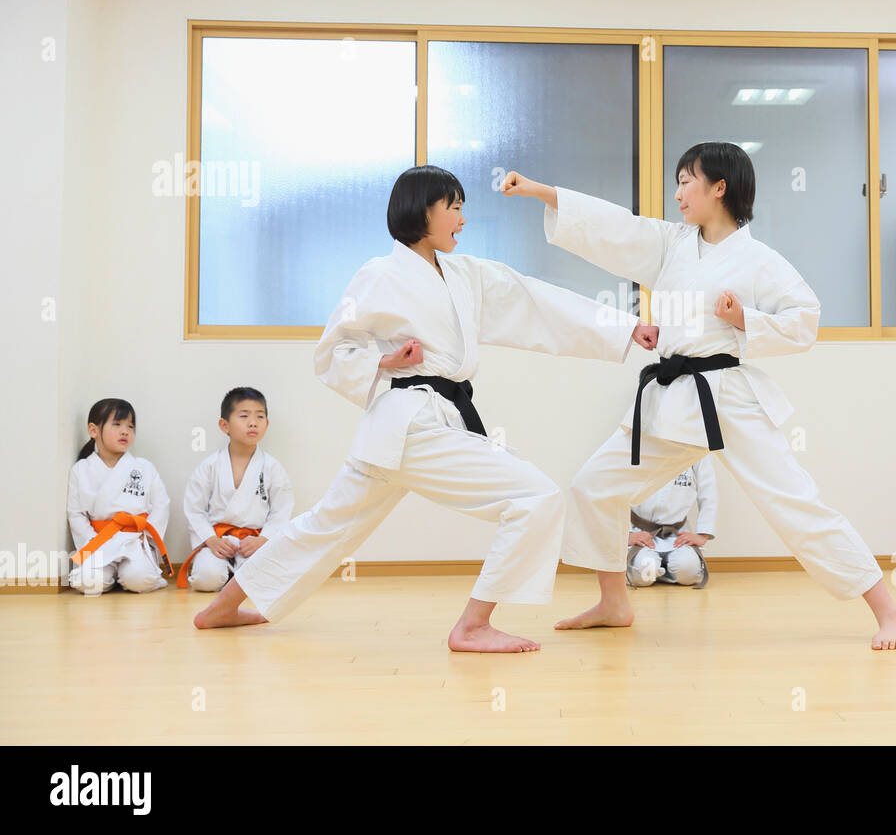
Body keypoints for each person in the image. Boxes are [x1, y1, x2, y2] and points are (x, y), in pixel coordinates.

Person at [194, 165, 637, 652]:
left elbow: (536, 301)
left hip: (406, 429)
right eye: (454, 207)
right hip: (412, 421)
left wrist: (623, 328)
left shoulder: (466, 274)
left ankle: (221, 608)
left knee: (327, 525)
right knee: (537, 497)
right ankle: (471, 626)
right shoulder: (379, 274)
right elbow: (332, 351)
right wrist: (384, 361)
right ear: (421, 210)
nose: (463, 219)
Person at [501, 142, 896, 649]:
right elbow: (615, 227)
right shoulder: (672, 243)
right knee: (593, 485)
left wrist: (744, 319)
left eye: (686, 181)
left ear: (720, 187)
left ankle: (890, 613)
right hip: (672, 397)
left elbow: (805, 321)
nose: (677, 193)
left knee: (794, 502)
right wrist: (540, 191)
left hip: (727, 399)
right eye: (676, 182)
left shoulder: (761, 261)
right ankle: (614, 602)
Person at [178, 387, 293, 591]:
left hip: (254, 542)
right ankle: (226, 573)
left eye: (260, 416)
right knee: (206, 579)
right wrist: (211, 540)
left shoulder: (273, 468)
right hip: (219, 542)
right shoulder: (209, 466)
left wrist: (263, 539)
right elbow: (194, 510)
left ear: (267, 424)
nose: (253, 423)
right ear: (224, 425)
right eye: (244, 416)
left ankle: (235, 576)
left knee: (264, 582)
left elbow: (281, 511)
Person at [67, 398, 172, 595]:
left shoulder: (144, 467)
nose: (125, 431)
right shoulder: (81, 470)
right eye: (117, 424)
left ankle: (129, 574)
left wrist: (144, 538)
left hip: (134, 541)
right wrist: (92, 541)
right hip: (98, 541)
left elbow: (161, 505)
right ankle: (110, 575)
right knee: (88, 583)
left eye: (130, 426)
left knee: (139, 580)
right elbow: (76, 514)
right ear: (93, 430)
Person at [627, 458, 717, 588]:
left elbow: (709, 493)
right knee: (644, 574)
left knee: (688, 572)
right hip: (641, 532)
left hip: (677, 534)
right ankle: (656, 569)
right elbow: (615, 492)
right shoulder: (633, 443)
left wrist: (703, 535)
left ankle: (663, 570)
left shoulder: (697, 447)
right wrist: (628, 534)